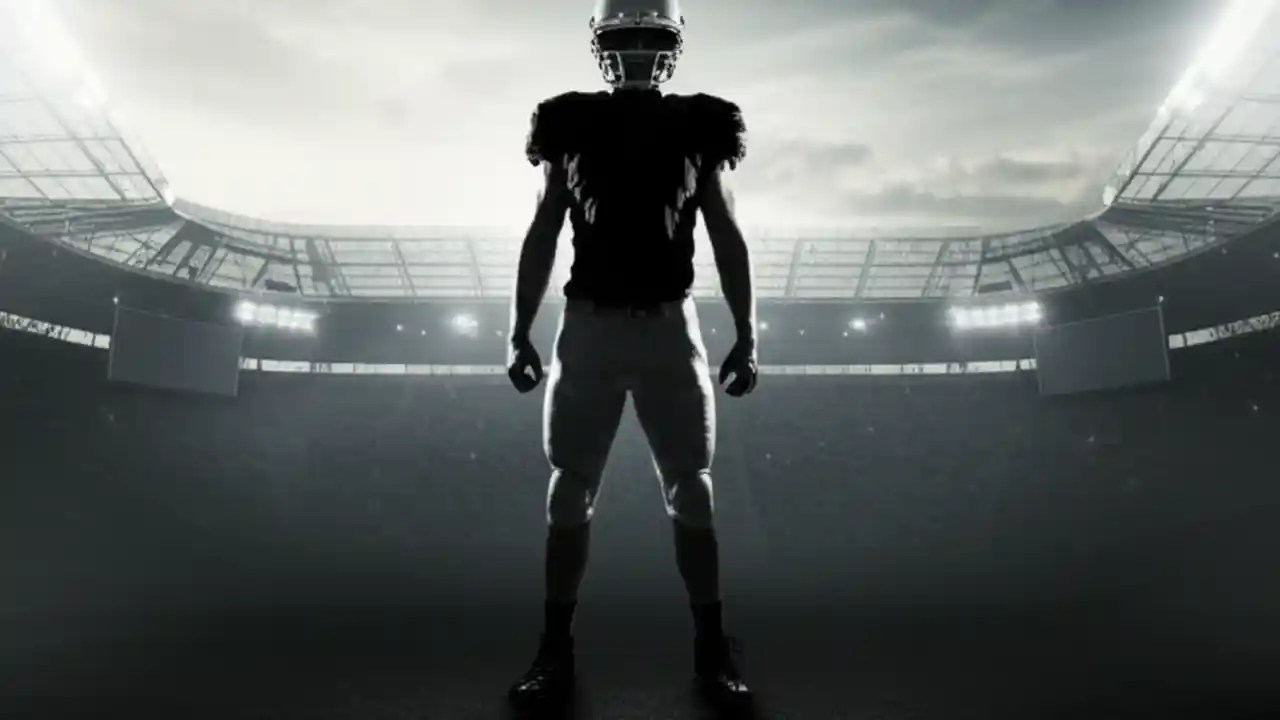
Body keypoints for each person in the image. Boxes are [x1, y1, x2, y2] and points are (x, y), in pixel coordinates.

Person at [504, 0, 759, 710]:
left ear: (671, 42)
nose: (640, 48)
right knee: (567, 490)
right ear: (603, 44)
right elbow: (543, 231)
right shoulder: (569, 124)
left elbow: (727, 235)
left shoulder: (698, 126)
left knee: (693, 489)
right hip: (588, 325)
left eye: (651, 35)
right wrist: (519, 326)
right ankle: (556, 650)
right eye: (628, 35)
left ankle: (711, 647)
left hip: (666, 326)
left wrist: (748, 329)